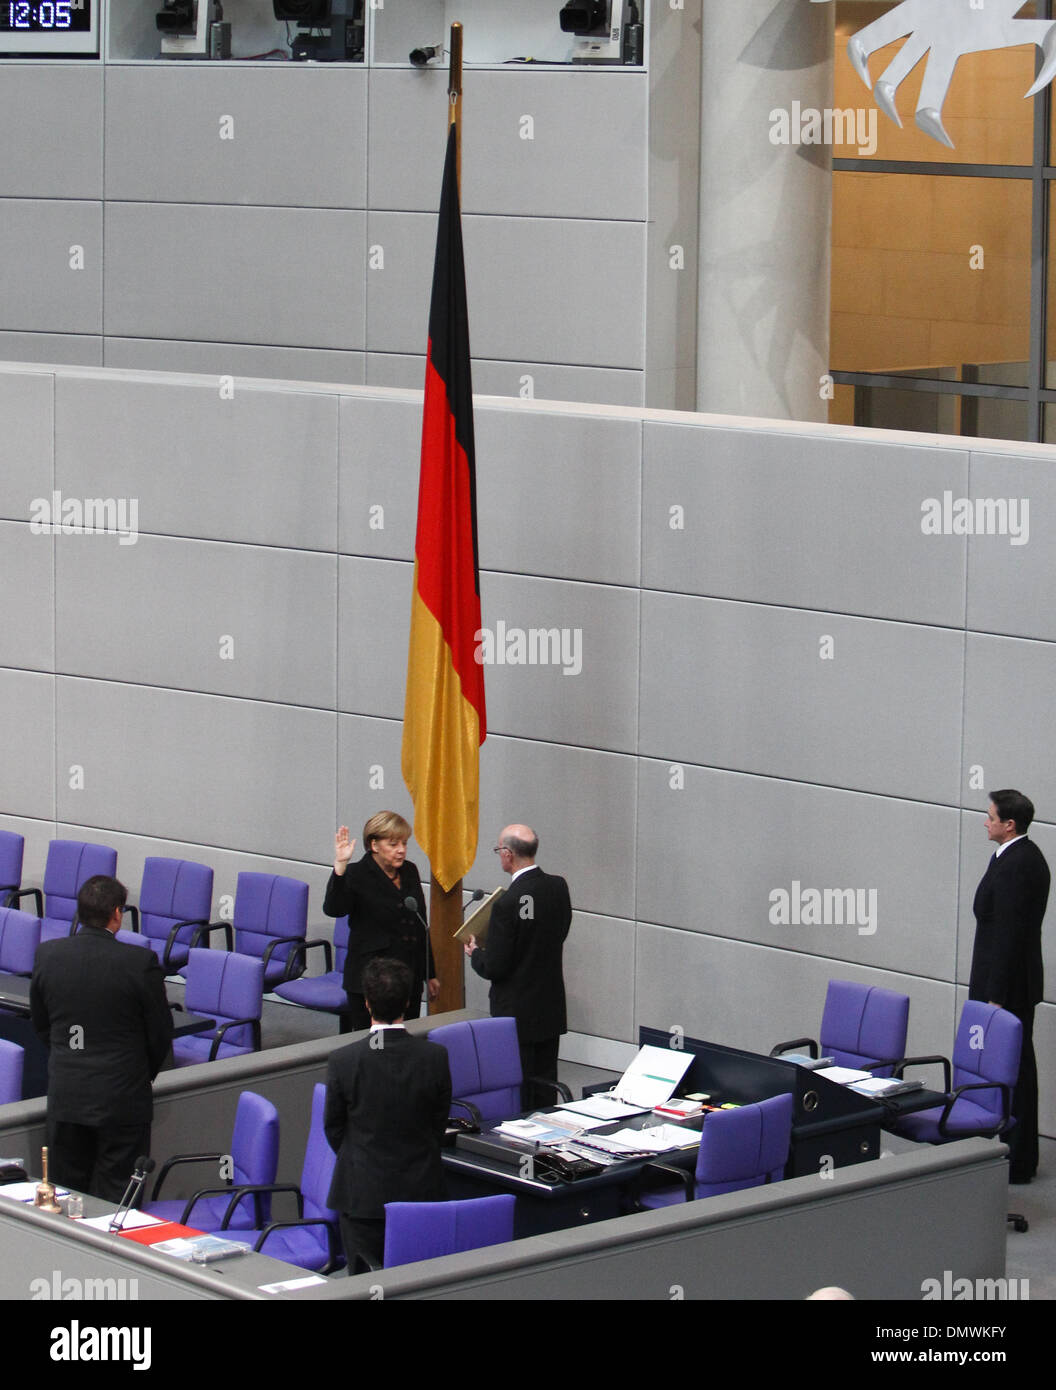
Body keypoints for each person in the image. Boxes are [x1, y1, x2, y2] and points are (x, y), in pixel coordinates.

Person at [29, 875, 173, 1202]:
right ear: (117, 913)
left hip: (67, 1094)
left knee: (64, 1197)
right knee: (118, 1201)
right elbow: (160, 1033)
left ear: (80, 913)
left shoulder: (47, 955)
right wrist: (136, 1073)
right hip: (122, 1100)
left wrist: (71, 1058)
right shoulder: (139, 963)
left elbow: (41, 1024)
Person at [323, 956, 451, 1271]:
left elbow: (333, 1127)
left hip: (362, 1195)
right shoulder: (435, 1057)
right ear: (409, 1002)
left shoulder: (344, 1060)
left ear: (366, 1004)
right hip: (420, 1193)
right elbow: (438, 1122)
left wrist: (361, 1156)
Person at [970, 789, 1049, 1184]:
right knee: (1008, 1069)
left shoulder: (1020, 864)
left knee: (1013, 1070)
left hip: (1006, 990)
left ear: (1009, 825)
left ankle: (1017, 1157)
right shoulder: (1010, 856)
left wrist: (995, 998)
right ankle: (1006, 1149)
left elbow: (1009, 934)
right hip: (1002, 983)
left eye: (990, 816)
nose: (985, 821)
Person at [464, 824, 572, 1108]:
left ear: (508, 854)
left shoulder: (506, 904)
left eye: (499, 850)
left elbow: (496, 967)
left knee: (519, 1085)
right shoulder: (558, 886)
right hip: (548, 1006)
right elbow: (560, 932)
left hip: (516, 1012)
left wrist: (475, 953)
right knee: (546, 1082)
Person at [323, 811, 439, 1032]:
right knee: (371, 1044)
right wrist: (340, 867)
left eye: (404, 843)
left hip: (408, 977)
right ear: (374, 845)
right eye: (393, 844)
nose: (401, 850)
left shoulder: (410, 871)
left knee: (406, 1038)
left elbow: (419, 925)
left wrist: (429, 973)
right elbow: (334, 909)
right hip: (370, 980)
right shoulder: (356, 873)